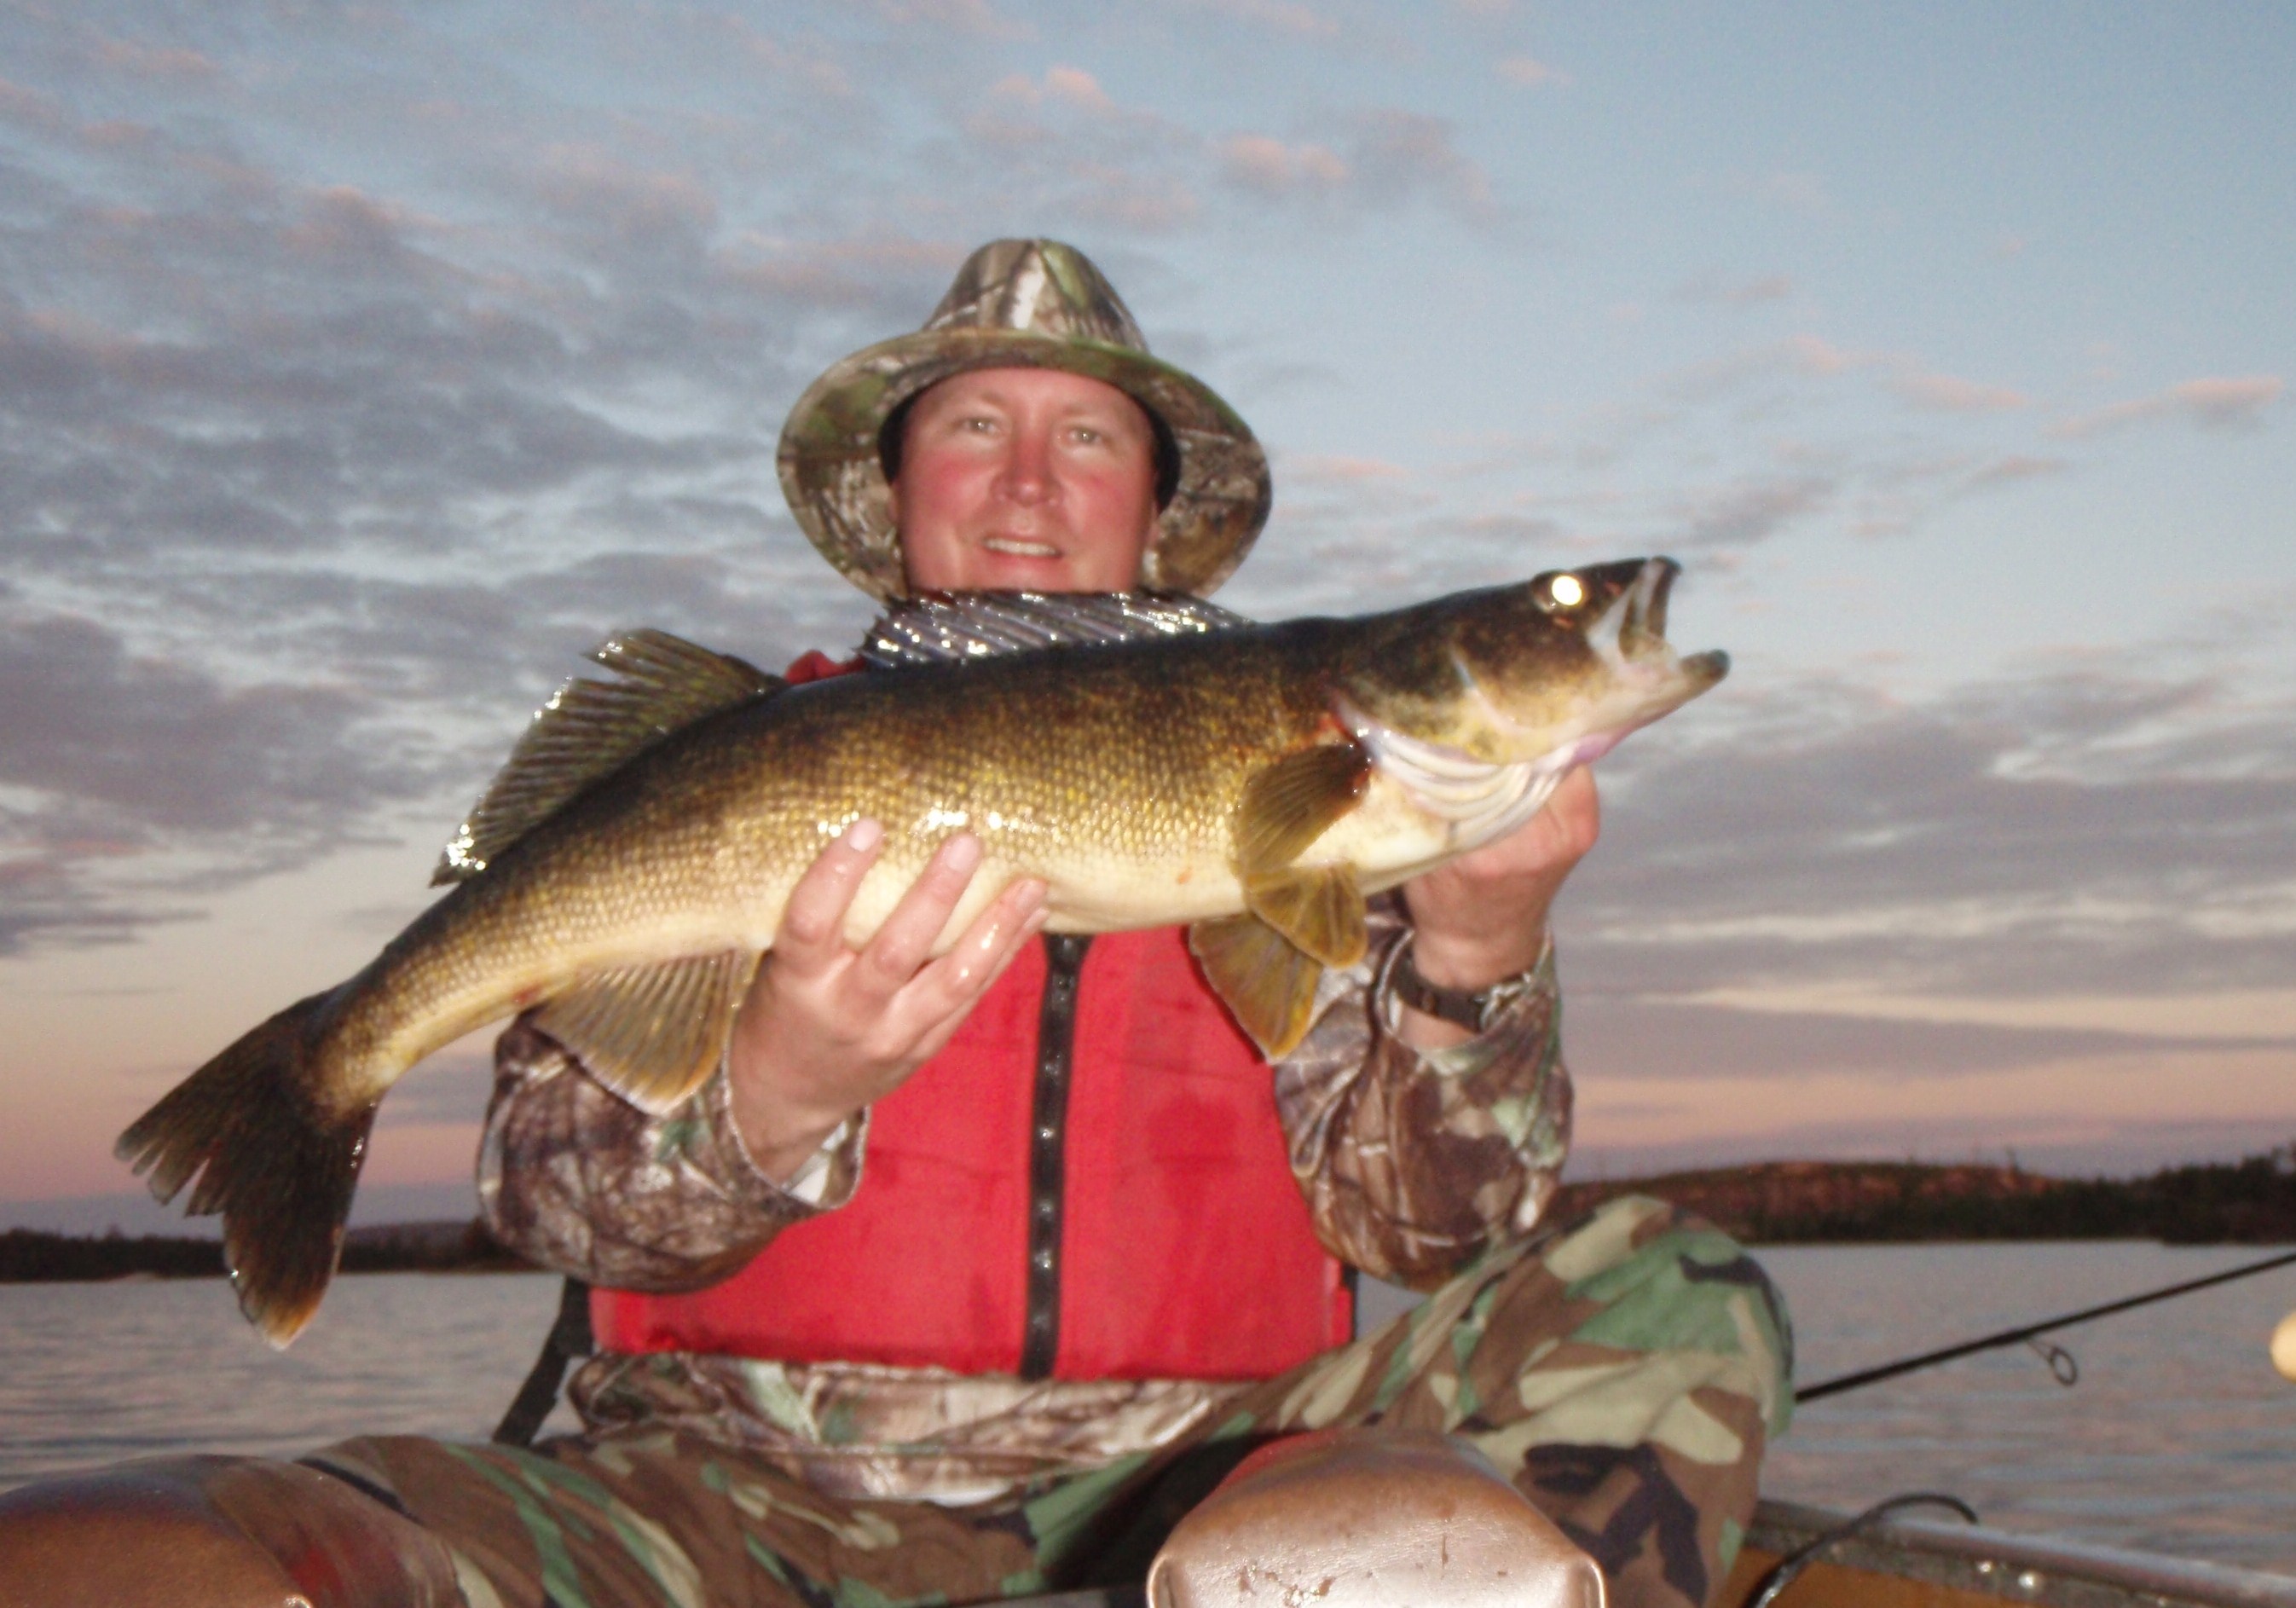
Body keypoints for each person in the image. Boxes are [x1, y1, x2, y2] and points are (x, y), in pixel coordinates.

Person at [0, 240, 1790, 1608]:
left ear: (1157, 515)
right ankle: (306, 1092)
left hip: (1218, 1473)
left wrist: (1477, 958)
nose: (1029, 482)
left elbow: (1427, 1230)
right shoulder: (732, 752)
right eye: (974, 430)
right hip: (736, 1499)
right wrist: (770, 1088)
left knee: (1675, 1292)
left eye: (1088, 438)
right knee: (183, 1560)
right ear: (898, 496)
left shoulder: (1344, 814)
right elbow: (543, 1199)